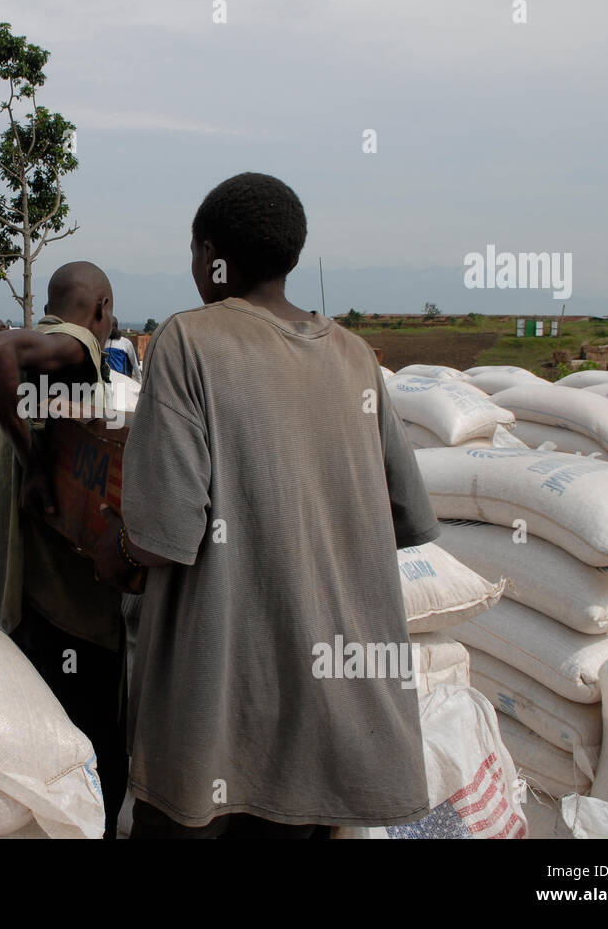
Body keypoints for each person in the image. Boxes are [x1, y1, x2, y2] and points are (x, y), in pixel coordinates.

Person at [93, 172, 438, 839]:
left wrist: (118, 548)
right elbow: (404, 515)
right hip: (333, 717)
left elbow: (166, 534)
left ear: (209, 253)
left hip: (222, 703)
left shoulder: (188, 341)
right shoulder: (354, 355)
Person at [0, 261, 127, 839]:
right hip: (65, 600)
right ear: (101, 308)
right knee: (91, 739)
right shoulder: (80, 346)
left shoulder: (42, 362)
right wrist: (34, 461)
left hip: (21, 587)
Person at [102, 317, 141, 381]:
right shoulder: (103, 342)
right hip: (106, 380)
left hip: (122, 381)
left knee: (120, 391)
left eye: (109, 327)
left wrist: (140, 381)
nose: (107, 330)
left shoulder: (126, 343)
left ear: (115, 326)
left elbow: (134, 363)